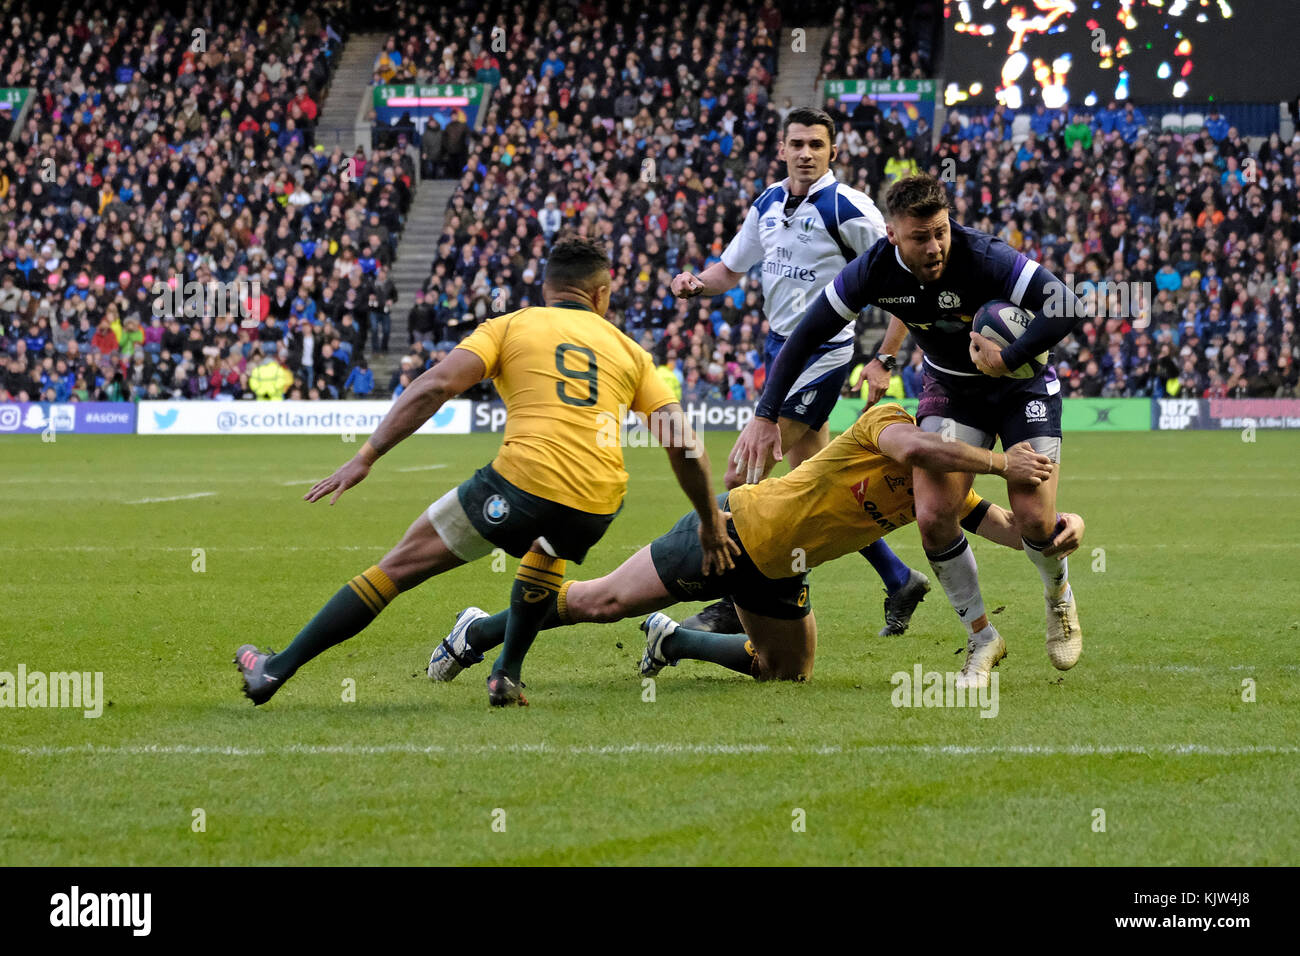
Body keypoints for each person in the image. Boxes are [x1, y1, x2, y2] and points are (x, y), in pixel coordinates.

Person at [235, 236, 734, 708]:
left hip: (522, 482)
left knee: (398, 568)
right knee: (549, 549)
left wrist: (367, 454)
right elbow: (684, 445)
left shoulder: (512, 325)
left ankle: (275, 669)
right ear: (602, 294)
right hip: (597, 502)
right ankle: (506, 674)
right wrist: (710, 525)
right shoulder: (632, 352)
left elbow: (436, 386)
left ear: (546, 289)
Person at [429, 402, 1082, 688]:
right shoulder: (890, 423)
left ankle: (674, 640)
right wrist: (1002, 464)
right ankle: (477, 632)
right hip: (734, 530)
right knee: (600, 603)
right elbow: (915, 447)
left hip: (779, 571)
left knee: (787, 673)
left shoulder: (941, 494)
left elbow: (1000, 525)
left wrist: (1055, 533)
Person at [731, 174, 1088, 685]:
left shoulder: (984, 256)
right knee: (934, 515)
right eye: (920, 237)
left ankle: (1058, 597)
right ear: (892, 235)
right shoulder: (872, 270)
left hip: (1021, 388)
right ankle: (983, 637)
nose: (935, 245)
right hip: (951, 389)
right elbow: (808, 332)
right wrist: (766, 413)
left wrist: (1007, 355)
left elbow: (1067, 304)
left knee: (1034, 519)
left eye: (940, 232)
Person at [668, 106, 927, 640]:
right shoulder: (767, 203)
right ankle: (899, 578)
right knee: (823, 483)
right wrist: (698, 282)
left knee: (743, 473)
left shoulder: (850, 209)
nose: (805, 153)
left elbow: (906, 282)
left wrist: (885, 356)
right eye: (796, 143)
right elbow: (729, 269)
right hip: (777, 349)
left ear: (834, 151)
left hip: (824, 354)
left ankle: (731, 601)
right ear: (781, 149)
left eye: (816, 144)